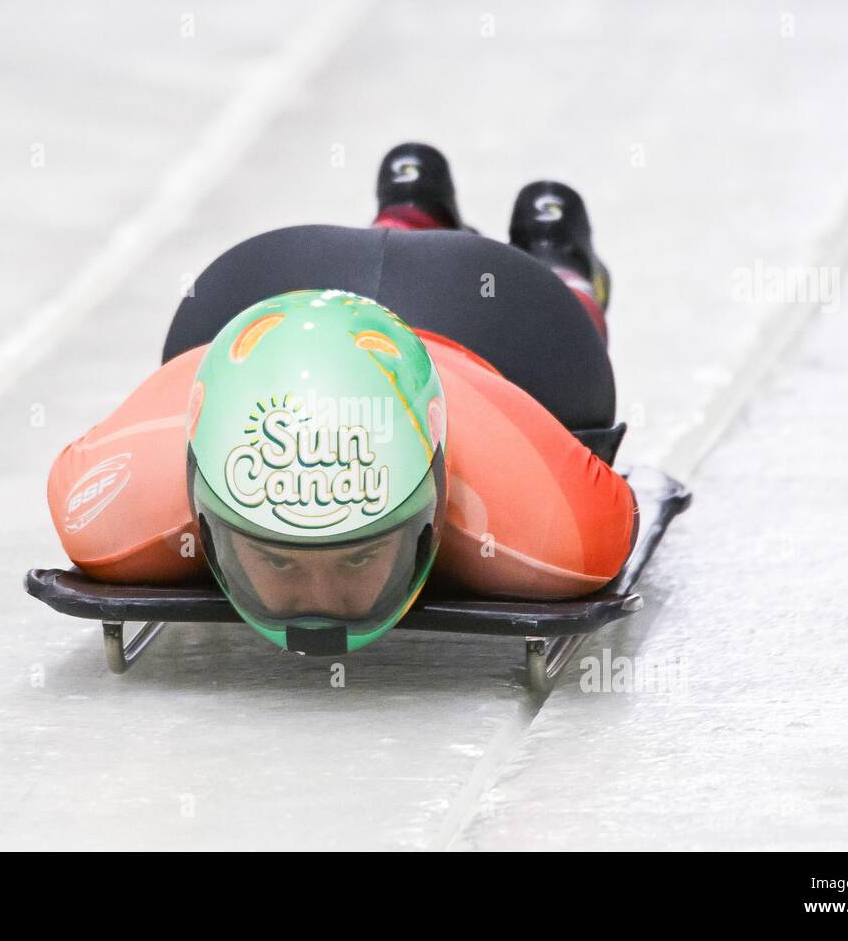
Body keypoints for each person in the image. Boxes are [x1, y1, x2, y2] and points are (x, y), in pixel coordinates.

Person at [46, 143, 638, 655]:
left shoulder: (556, 534)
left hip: (477, 318)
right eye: (276, 559)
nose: (320, 604)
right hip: (339, 299)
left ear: (433, 505)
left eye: (356, 557)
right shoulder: (116, 508)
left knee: (568, 355)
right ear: (205, 517)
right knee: (569, 365)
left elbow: (610, 514)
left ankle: (517, 252)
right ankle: (450, 224)